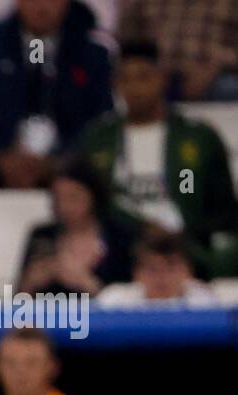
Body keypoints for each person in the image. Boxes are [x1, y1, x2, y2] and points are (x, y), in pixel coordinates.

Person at [80, 41, 238, 278]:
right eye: (126, 79)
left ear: (162, 79)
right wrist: (139, 229)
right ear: (115, 84)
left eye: (144, 77)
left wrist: (184, 233)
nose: (135, 87)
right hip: (120, 249)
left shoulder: (198, 137)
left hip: (189, 248)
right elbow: (91, 205)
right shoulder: (98, 140)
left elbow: (223, 209)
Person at [0, 0, 114, 189]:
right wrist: (0, 155)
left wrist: (58, 159)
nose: (41, 6)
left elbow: (100, 119)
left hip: (66, 163)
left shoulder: (91, 53)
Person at [16, 157, 135, 297]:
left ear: (93, 196)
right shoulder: (42, 235)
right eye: (58, 198)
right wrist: (31, 282)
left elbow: (135, 298)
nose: (64, 207)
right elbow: (18, 300)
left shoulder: (120, 237)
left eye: (73, 197)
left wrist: (87, 284)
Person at [119, 0, 238, 101]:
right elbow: (127, 41)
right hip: (155, 74)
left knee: (229, 87)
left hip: (212, 76)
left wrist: (214, 67)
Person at [95, 228, 219, 306]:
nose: (161, 276)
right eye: (152, 269)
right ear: (136, 273)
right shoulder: (114, 300)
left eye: (171, 268)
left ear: (188, 271)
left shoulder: (204, 302)